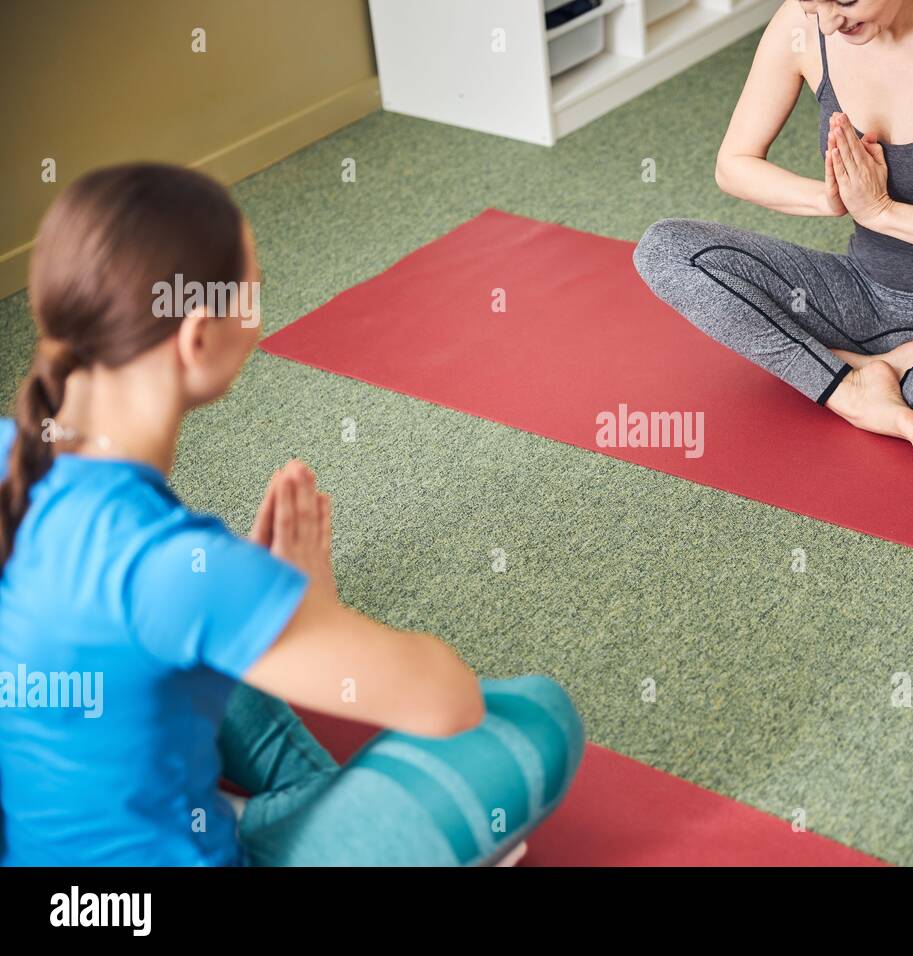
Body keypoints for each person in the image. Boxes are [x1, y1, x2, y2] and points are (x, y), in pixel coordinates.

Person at [0, 163, 583, 866]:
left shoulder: (19, 459)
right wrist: (318, 609)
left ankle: (291, 801)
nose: (260, 319)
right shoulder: (179, 569)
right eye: (253, 295)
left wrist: (255, 600)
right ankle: (298, 820)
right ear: (196, 338)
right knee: (538, 717)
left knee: (187, 648)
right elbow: (449, 704)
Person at [634, 1, 913, 464]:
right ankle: (849, 386)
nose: (828, 21)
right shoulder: (806, 28)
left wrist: (882, 213)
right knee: (665, 251)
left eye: (844, 1)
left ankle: (883, 367)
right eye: (810, 2)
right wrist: (831, 198)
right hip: (863, 293)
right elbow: (733, 165)